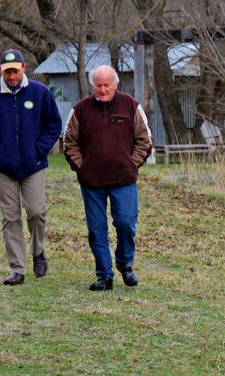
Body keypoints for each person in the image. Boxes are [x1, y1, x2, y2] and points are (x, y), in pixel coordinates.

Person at [0, 48, 62, 286]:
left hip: (34, 165)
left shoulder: (39, 93)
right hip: (4, 167)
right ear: (1, 71)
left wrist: (39, 149)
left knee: (36, 211)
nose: (11, 76)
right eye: (7, 72)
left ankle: (37, 251)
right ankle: (17, 269)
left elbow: (54, 124)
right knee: (10, 217)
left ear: (24, 68)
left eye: (15, 71)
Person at [63, 65, 153, 291]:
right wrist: (82, 168)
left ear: (115, 84)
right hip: (92, 183)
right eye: (98, 85)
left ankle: (125, 264)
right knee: (96, 230)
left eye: (107, 85)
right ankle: (104, 275)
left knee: (125, 224)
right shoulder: (80, 110)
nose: (102, 90)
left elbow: (145, 140)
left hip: (124, 181)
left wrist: (131, 164)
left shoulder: (131, 106)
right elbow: (69, 142)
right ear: (92, 85)